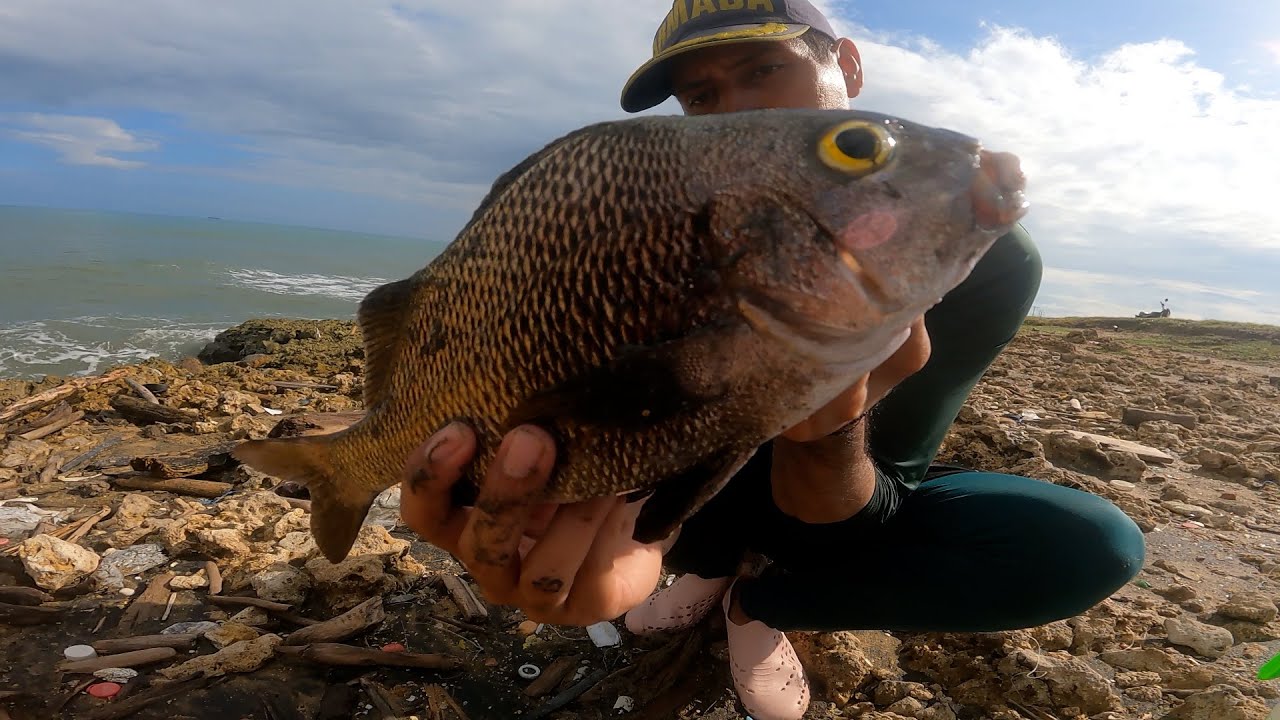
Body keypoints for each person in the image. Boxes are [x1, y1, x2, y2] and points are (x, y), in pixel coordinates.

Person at [399, 2, 1146, 718]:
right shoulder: (659, 224)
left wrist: (825, 419)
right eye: (701, 95)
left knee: (1086, 548)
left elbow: (876, 493)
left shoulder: (982, 260)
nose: (736, 112)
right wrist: (616, 513)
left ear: (846, 65)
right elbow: (618, 400)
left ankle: (764, 604)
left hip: (847, 483)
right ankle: (707, 563)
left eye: (763, 71)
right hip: (690, 465)